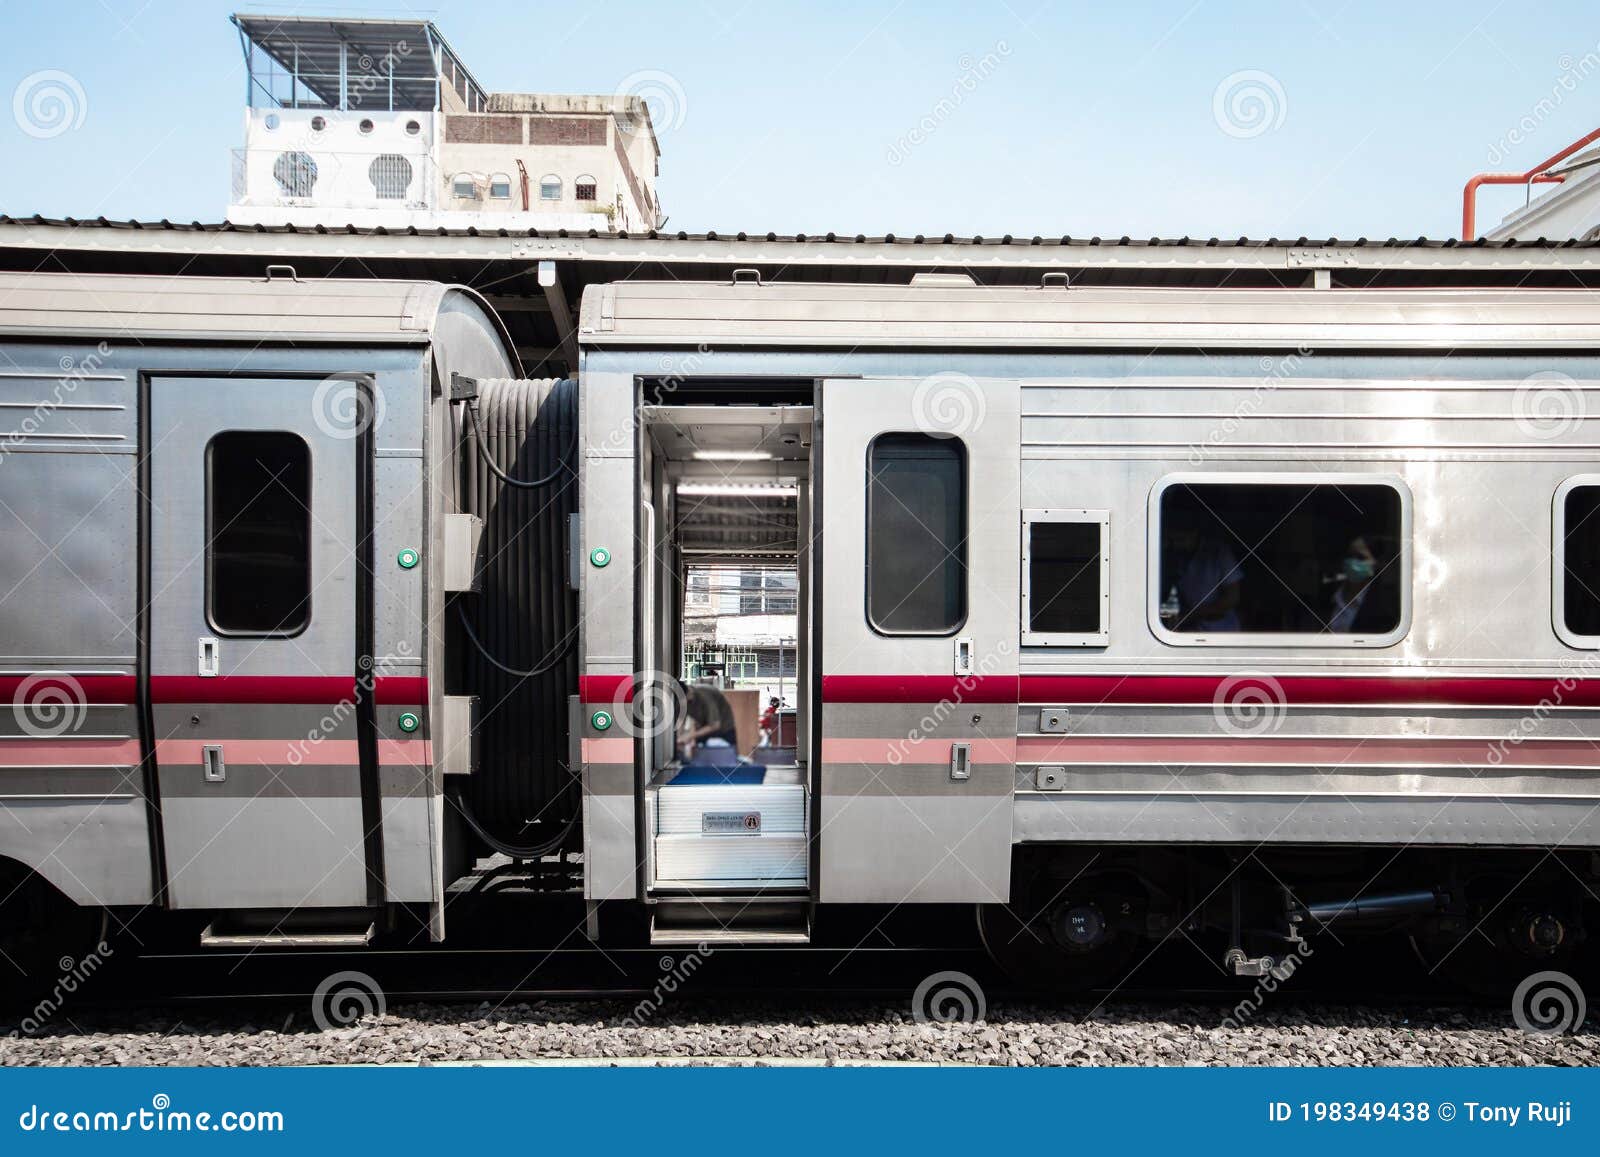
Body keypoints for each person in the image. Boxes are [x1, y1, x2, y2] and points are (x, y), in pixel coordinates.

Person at [1318, 535, 1397, 634]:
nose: (1352, 562)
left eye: (1360, 557)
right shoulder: (1327, 595)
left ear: (1376, 564)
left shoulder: (1384, 605)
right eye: (1350, 556)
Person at [681, 679, 739, 761]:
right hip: (703, 729)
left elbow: (715, 725)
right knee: (702, 761)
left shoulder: (704, 695)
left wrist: (690, 736)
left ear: (689, 693)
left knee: (727, 761)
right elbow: (683, 721)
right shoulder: (682, 700)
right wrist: (681, 738)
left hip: (724, 729)